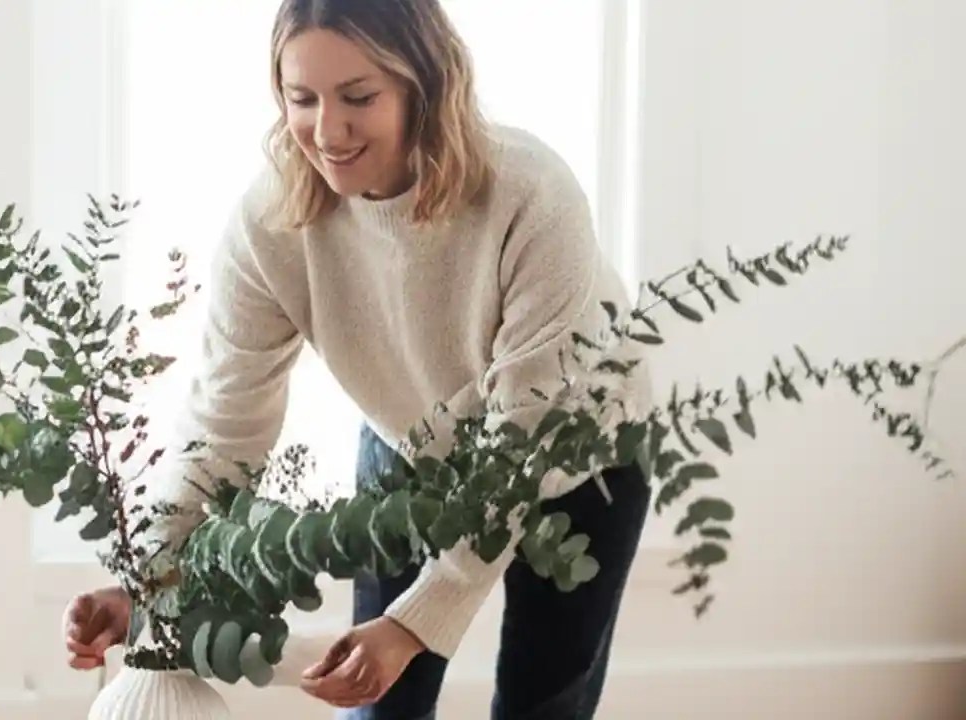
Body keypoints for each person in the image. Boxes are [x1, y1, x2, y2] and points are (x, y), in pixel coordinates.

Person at [62, 0, 654, 718]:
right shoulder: (271, 223)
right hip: (410, 441)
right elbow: (221, 425)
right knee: (378, 703)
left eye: (359, 97)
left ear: (424, 85)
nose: (327, 131)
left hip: (580, 452)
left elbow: (520, 447)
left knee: (544, 701)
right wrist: (148, 583)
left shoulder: (531, 194)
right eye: (302, 98)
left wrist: (413, 624)